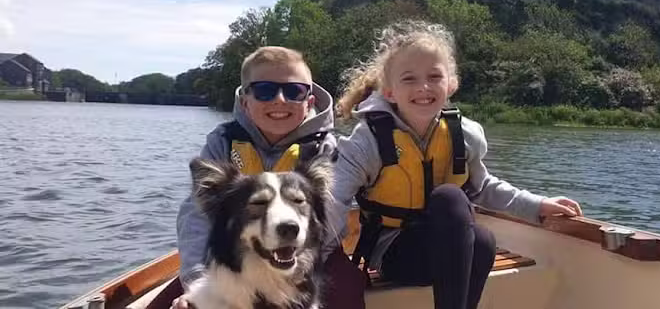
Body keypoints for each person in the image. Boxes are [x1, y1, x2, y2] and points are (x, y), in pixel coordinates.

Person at [330, 20, 583, 309]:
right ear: (389, 92)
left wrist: (537, 205)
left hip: (446, 253)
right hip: (395, 256)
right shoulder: (368, 141)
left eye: (434, 76)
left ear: (451, 84)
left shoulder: (464, 135)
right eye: (409, 79)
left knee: (483, 241)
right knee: (450, 198)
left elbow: (482, 187)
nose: (423, 87)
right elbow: (334, 199)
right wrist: (312, 256)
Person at [173, 46, 365, 309]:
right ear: (245, 102)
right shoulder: (223, 141)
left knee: (349, 290)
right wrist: (195, 280)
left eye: (294, 91)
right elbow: (196, 214)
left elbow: (331, 215)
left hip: (312, 255)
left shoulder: (326, 148)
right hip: (239, 254)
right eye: (264, 90)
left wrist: (291, 277)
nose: (280, 100)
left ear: (309, 102)